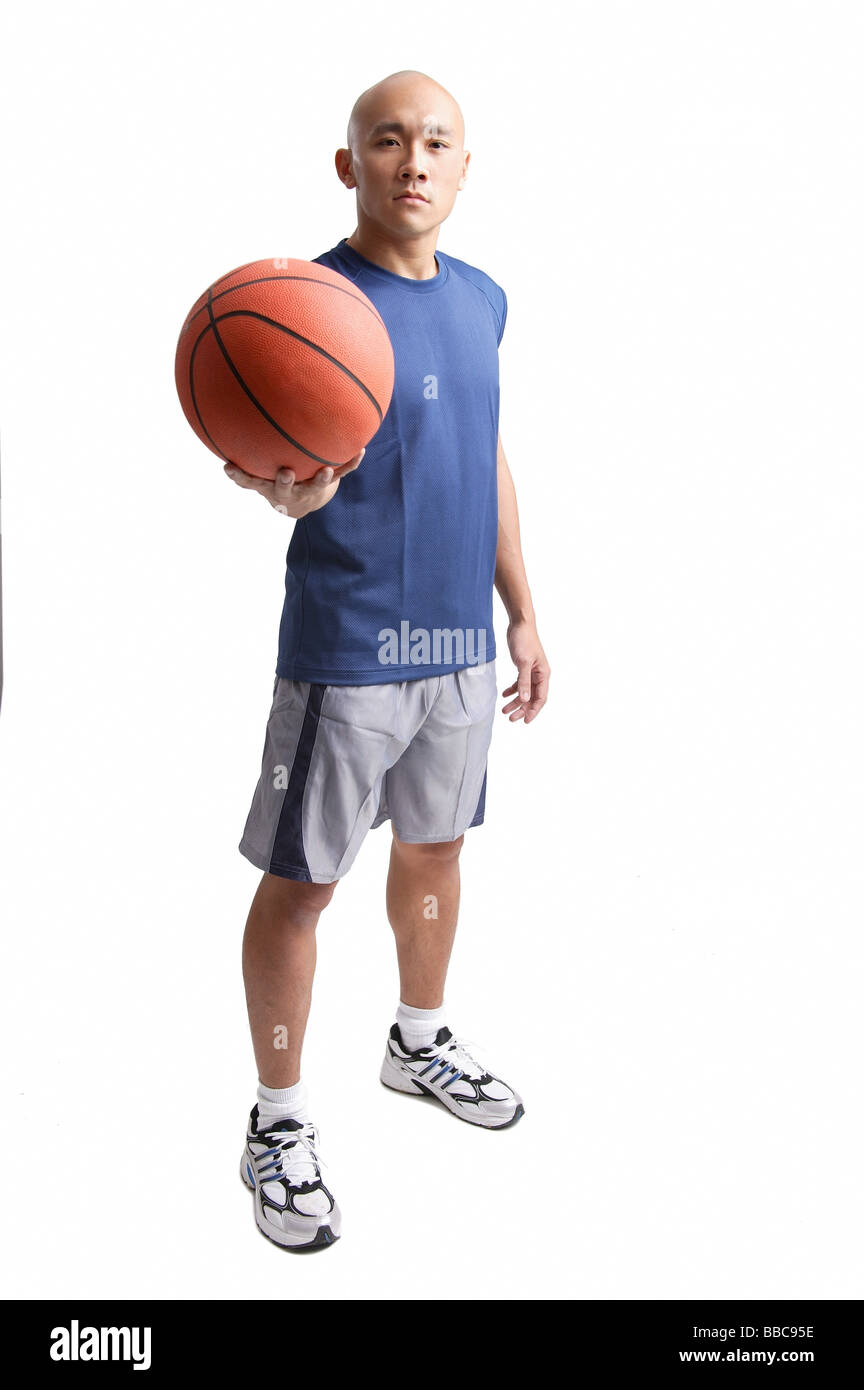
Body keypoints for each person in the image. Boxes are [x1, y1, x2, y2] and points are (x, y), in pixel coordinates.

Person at [226, 69, 550, 1251]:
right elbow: (282, 467)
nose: (413, 158)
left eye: (437, 142)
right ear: (348, 163)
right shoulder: (302, 305)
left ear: (466, 168)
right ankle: (277, 1119)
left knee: (435, 851)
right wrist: (287, 486)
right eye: (387, 139)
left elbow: (487, 451)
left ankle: (417, 1042)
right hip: (350, 650)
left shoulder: (485, 301)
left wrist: (522, 607)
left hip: (460, 644)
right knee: (304, 885)